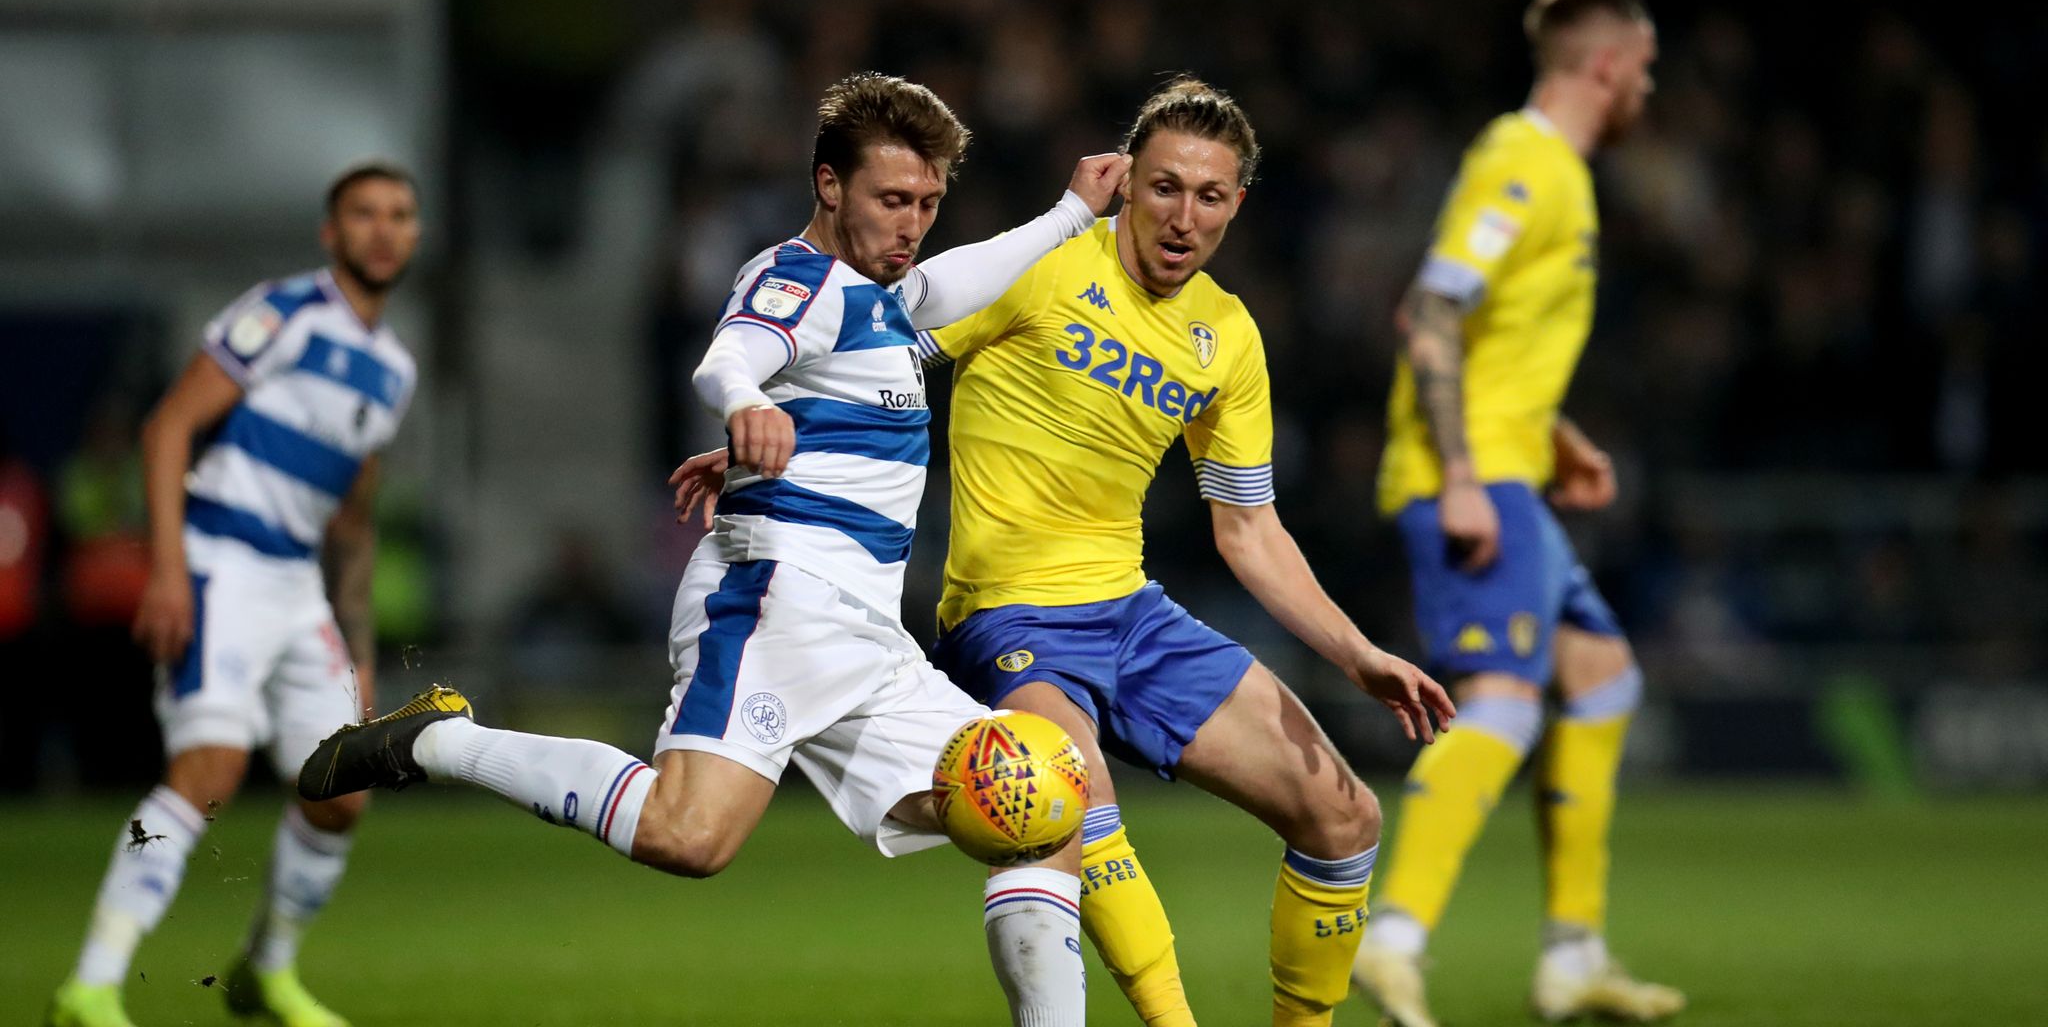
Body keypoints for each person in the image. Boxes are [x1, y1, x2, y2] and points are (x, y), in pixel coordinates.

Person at [300, 74, 1127, 1027]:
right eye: (892, 200)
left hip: (868, 636)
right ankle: (441, 740)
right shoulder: (803, 279)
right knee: (687, 839)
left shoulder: (890, 293)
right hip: (775, 603)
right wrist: (747, 404)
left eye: (928, 203)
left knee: (1036, 808)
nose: (913, 224)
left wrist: (1070, 211)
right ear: (829, 186)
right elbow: (731, 353)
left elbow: (968, 274)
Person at [678, 77, 1456, 1027]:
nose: (1183, 216)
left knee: (1346, 817)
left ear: (1236, 205)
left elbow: (1248, 530)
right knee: (1072, 805)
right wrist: (771, 435)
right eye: (1164, 187)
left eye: (1209, 197)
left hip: (1132, 613)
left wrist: (1359, 653)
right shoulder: (1038, 267)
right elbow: (872, 341)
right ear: (1125, 184)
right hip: (1009, 618)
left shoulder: (1228, 337)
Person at [1349, 0, 1686, 1026]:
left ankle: (1572, 954)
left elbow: (1436, 305)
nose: (1646, 88)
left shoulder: (1556, 174)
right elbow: (1434, 313)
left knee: (1599, 676)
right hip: (1471, 479)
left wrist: (1555, 435)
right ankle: (1392, 938)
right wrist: (1459, 474)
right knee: (1500, 698)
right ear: (1604, 66)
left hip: (1504, 463)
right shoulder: (1523, 164)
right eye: (1641, 69)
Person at [47, 162, 422, 1027]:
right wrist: (170, 569)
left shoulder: (393, 369)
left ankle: (265, 971)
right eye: (363, 214)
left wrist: (359, 655)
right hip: (219, 559)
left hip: (295, 584)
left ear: (413, 236)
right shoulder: (284, 312)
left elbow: (354, 524)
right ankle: (92, 984)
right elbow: (168, 426)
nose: (382, 229)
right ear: (332, 234)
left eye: (399, 215)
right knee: (206, 773)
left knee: (341, 791)